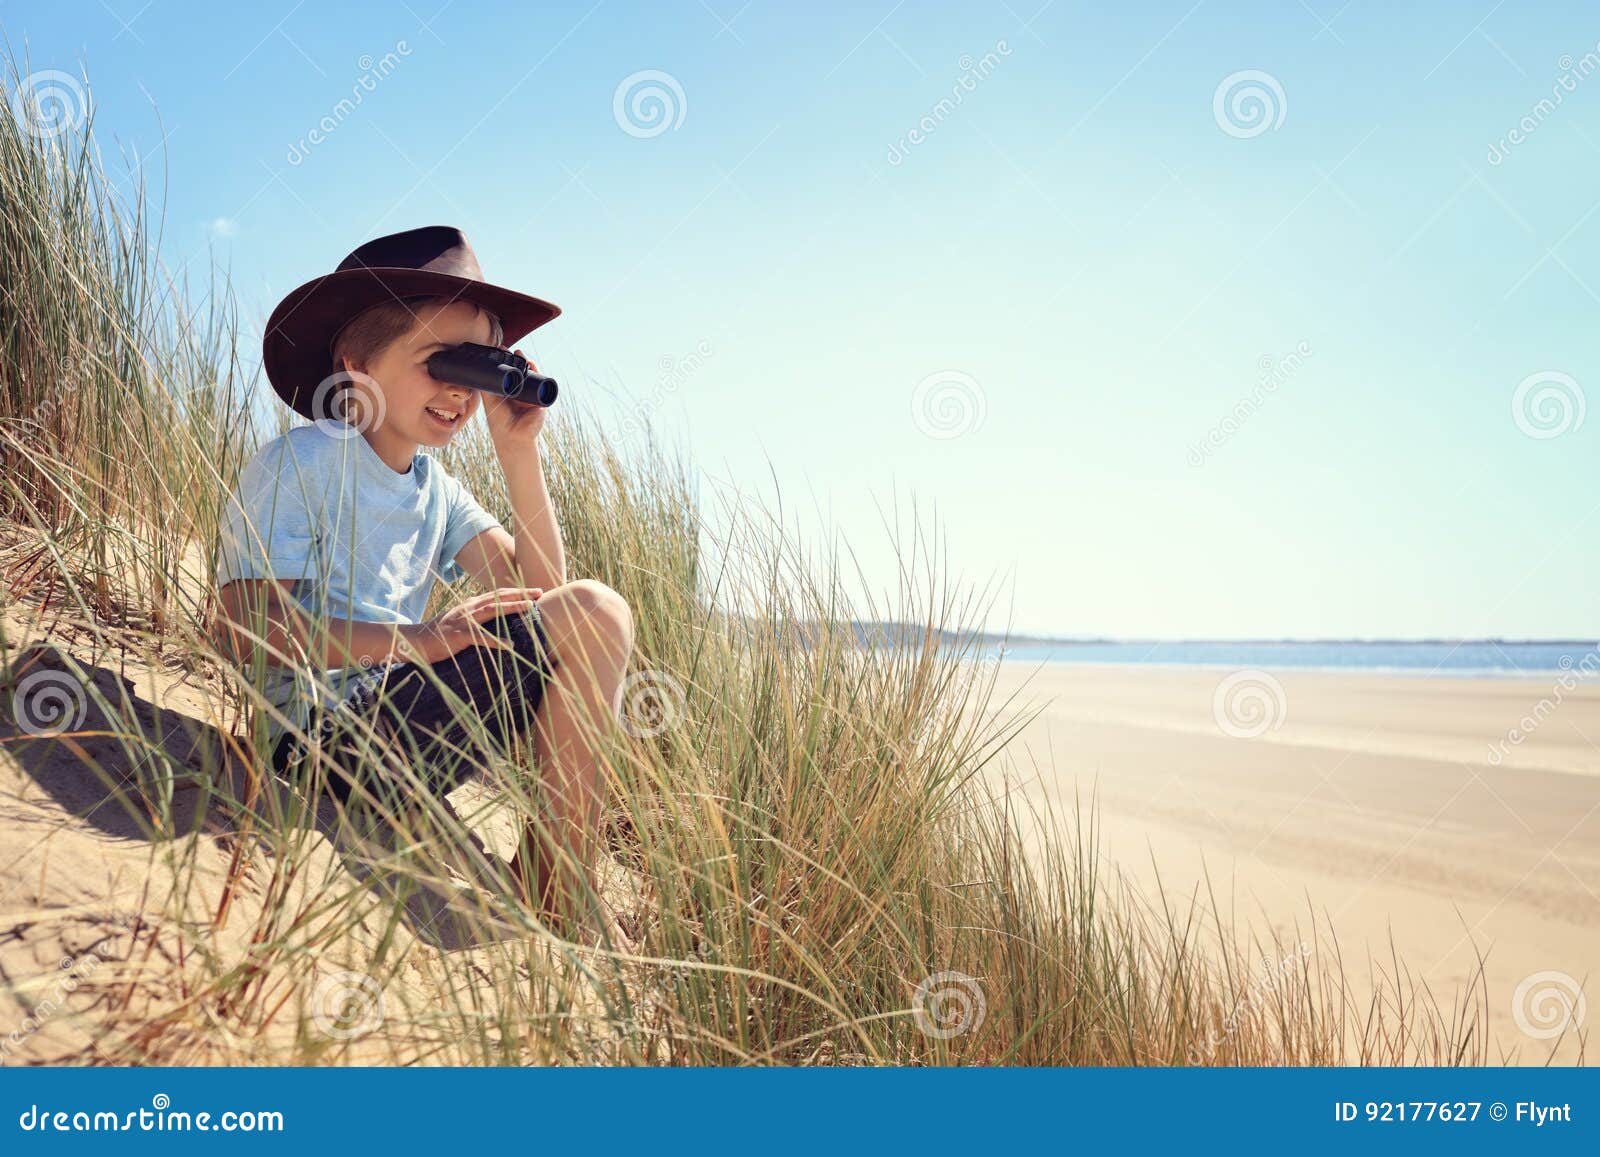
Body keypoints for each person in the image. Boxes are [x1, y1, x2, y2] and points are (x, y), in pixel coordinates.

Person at [210, 225, 635, 946]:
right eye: (442, 362)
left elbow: (547, 600)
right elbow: (243, 629)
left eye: (478, 369)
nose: (459, 391)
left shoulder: (435, 489)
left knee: (594, 611)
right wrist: (417, 642)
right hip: (314, 745)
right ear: (354, 364)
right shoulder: (305, 461)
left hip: (400, 747)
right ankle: (556, 890)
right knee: (596, 609)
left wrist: (517, 450)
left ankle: (552, 872)